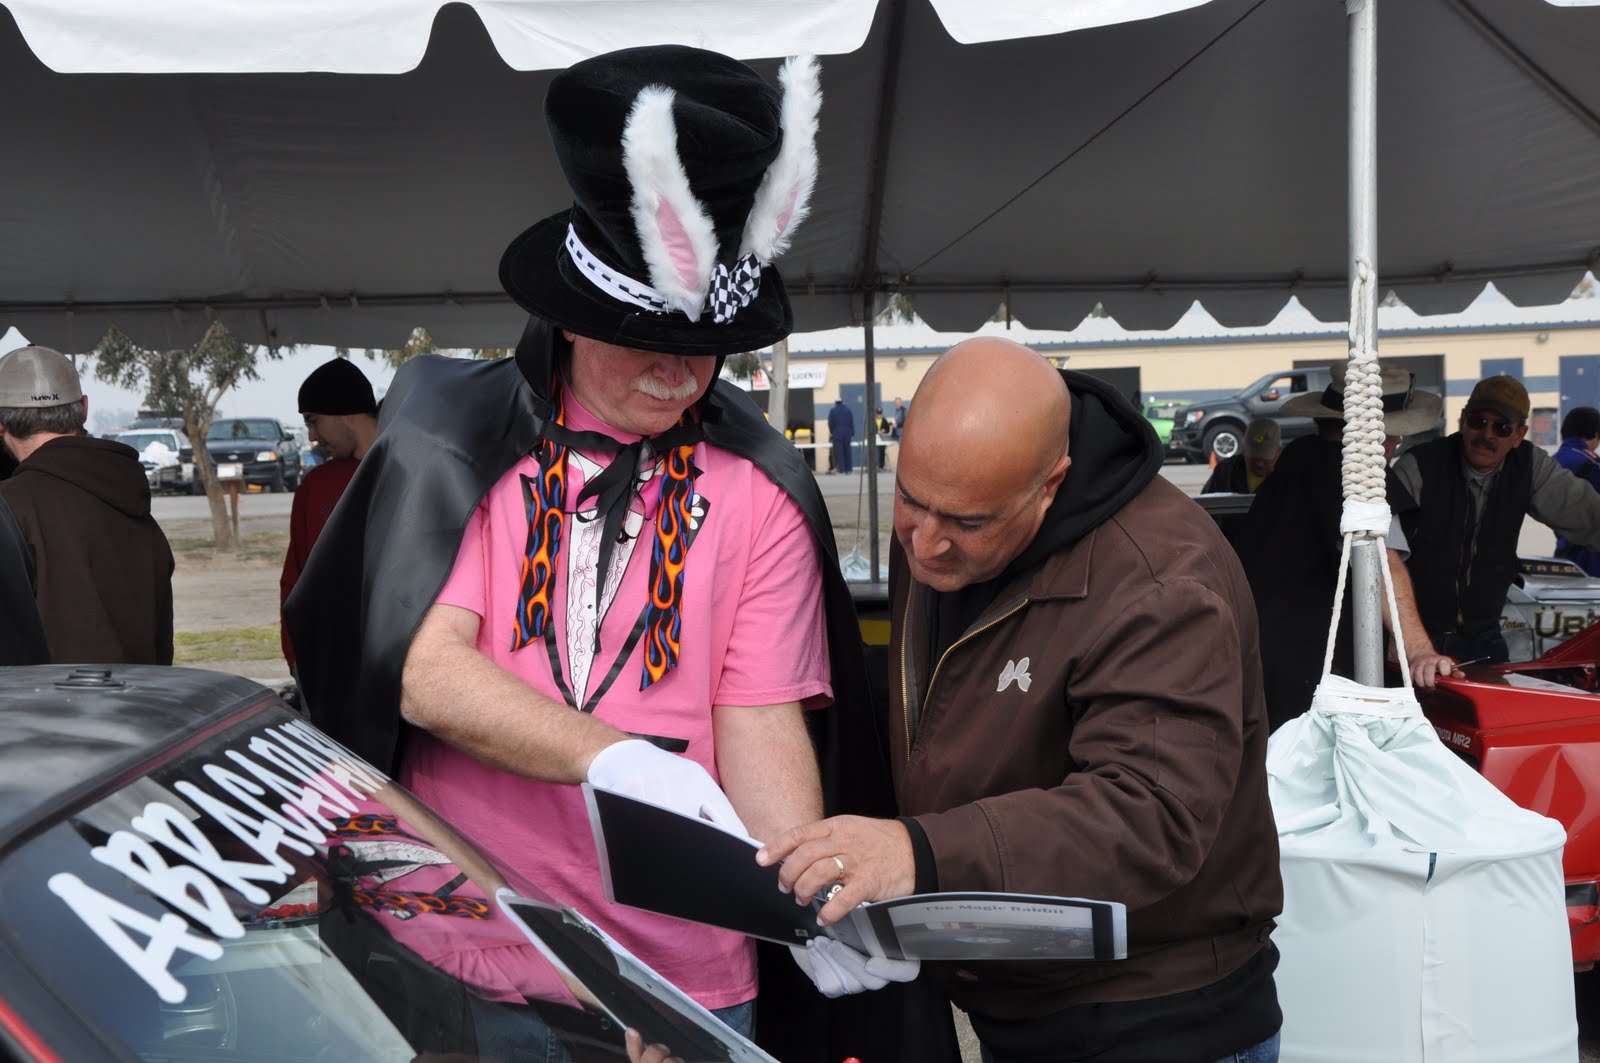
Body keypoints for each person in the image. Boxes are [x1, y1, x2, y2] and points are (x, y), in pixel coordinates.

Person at [285, 46, 952, 1063]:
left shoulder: (757, 482)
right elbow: (419, 670)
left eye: (704, 344)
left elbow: (759, 717)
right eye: (644, 336)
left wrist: (796, 892)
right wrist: (617, 760)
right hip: (467, 945)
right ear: (573, 312)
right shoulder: (450, 438)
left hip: (679, 981)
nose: (680, 374)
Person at [759, 337, 1284, 1063]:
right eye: (911, 500)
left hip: (1156, 1020)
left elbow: (1150, 811)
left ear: (1052, 483)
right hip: (1023, 1006)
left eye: (968, 523)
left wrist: (921, 851)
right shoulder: (946, 517)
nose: (928, 544)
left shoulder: (1162, 581)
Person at [1234, 365, 1455, 730]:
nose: (1397, 442)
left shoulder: (1294, 462)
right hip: (1314, 676)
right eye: (1395, 433)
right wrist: (1417, 650)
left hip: (1258, 660)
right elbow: (1381, 562)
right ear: (1379, 431)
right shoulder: (1357, 477)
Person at [1393, 375, 1600, 664]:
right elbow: (1382, 560)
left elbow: (1589, 515)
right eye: (1479, 421)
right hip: (1414, 640)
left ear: (1519, 434)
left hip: (1485, 637)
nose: (1487, 434)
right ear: (1463, 420)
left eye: (1502, 427)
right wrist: (1403, 640)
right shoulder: (1418, 466)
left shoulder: (1531, 466)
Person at [0, 346, 174, 664]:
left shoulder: (10, 507)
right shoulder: (131, 498)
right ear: (83, 408)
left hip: (46, 711)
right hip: (142, 708)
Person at [279, 357, 380, 668]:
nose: (311, 437)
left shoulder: (408, 471)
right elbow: (295, 580)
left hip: (397, 662)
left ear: (345, 413)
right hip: (329, 665)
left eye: (313, 420)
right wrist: (297, 658)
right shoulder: (315, 486)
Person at [1553, 405, 1600, 575]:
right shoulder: (1589, 463)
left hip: (1565, 551)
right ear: (1594, 433)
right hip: (1591, 555)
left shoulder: (1552, 462)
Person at [1202, 417, 1280, 493]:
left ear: (1279, 452)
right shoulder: (1225, 470)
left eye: (1265, 457)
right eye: (1253, 457)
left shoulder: (1288, 475)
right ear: (1244, 451)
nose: (1259, 463)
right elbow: (1204, 502)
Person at [828, 396, 855, 473]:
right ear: (842, 402)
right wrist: (852, 433)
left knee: (840, 452)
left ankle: (842, 469)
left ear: (836, 402)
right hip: (847, 433)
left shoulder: (833, 411)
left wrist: (832, 432)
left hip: (837, 433)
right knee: (848, 450)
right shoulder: (848, 410)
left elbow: (830, 423)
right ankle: (849, 469)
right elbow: (851, 422)